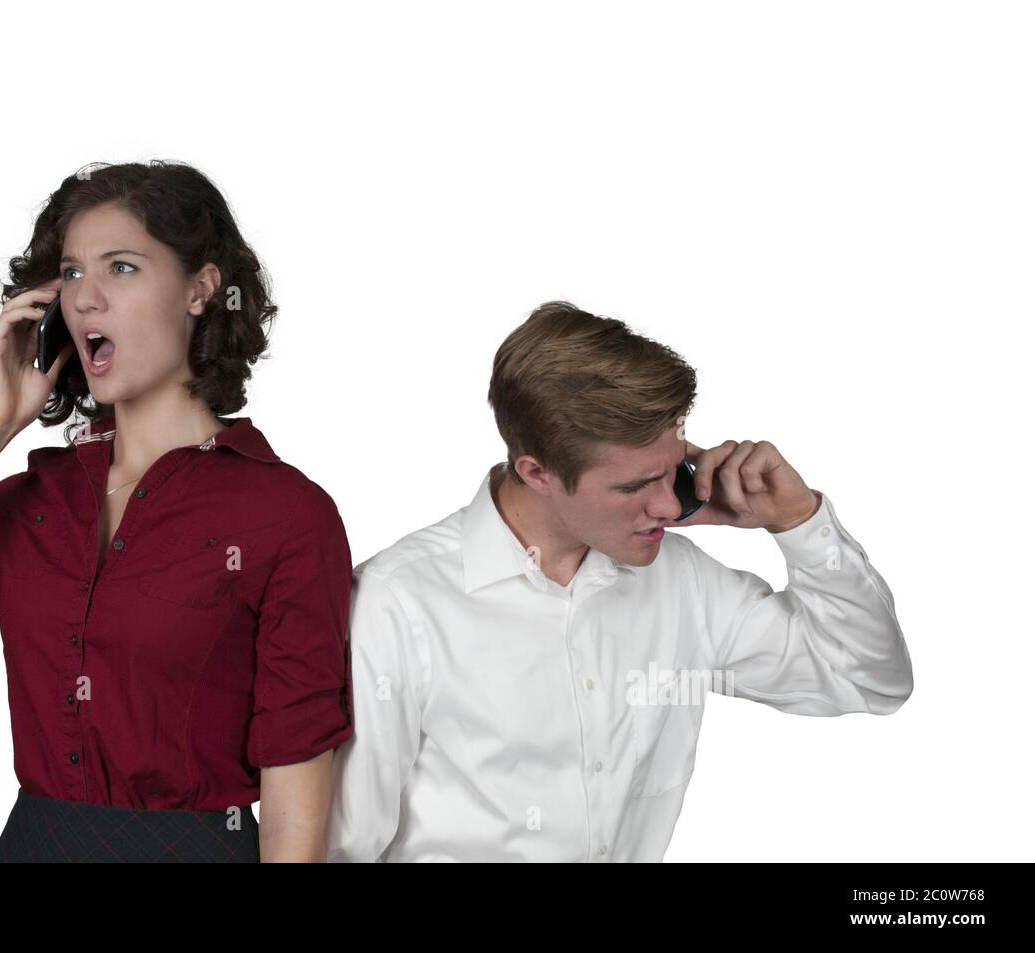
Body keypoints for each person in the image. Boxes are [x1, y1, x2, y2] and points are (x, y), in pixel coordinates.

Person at [0, 160, 354, 862]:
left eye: (122, 268)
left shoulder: (288, 516)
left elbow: (295, 786)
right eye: (73, 273)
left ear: (202, 289)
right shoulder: (35, 499)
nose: (85, 299)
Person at [325, 300, 913, 862]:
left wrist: (798, 523)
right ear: (537, 472)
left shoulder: (682, 582)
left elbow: (868, 680)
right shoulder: (398, 604)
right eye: (634, 487)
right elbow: (341, 847)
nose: (667, 505)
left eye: (672, 470)